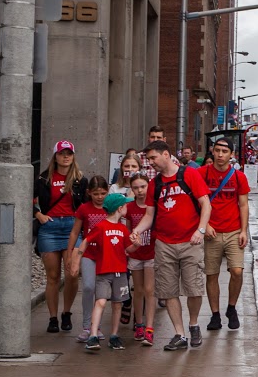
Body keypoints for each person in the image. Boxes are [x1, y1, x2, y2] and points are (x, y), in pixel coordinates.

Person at [132, 140, 212, 351]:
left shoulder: (189, 175)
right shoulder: (154, 184)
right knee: (168, 291)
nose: (150, 163)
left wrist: (200, 230)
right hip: (164, 243)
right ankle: (179, 333)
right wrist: (137, 230)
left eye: (153, 158)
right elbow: (149, 214)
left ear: (166, 155)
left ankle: (193, 324)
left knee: (194, 289)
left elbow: (205, 203)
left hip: (190, 241)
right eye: (148, 159)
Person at [33, 141, 86, 334]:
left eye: (69, 154)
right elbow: (27, 197)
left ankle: (67, 312)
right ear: (55, 156)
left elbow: (87, 205)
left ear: (73, 156)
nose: (66, 157)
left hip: (72, 227)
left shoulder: (80, 179)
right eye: (62, 153)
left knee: (72, 273)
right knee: (53, 277)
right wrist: (38, 215)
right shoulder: (43, 179)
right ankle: (53, 317)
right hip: (50, 227)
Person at [200, 139, 251, 332]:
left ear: (231, 154)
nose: (220, 154)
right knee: (212, 274)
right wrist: (206, 225)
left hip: (233, 231)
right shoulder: (202, 174)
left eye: (224, 151)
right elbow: (195, 201)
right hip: (211, 233)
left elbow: (243, 204)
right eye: (217, 150)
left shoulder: (238, 177)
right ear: (212, 152)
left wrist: (244, 230)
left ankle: (231, 307)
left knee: (237, 271)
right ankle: (215, 315)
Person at [82, 194, 134, 352]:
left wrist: (136, 245)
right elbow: (86, 240)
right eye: (125, 205)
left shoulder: (123, 228)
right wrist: (79, 256)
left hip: (120, 271)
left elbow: (128, 249)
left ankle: (114, 335)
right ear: (119, 208)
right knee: (101, 301)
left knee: (118, 303)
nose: (127, 208)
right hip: (104, 271)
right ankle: (93, 335)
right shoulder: (101, 226)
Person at [64, 176, 112, 341]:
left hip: (107, 255)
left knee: (101, 291)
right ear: (89, 193)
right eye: (96, 193)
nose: (100, 197)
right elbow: (75, 232)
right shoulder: (84, 209)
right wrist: (70, 254)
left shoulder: (111, 208)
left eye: (103, 193)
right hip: (88, 254)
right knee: (88, 287)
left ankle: (96, 326)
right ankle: (86, 325)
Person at [124, 174, 156, 345]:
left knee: (150, 290)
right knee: (138, 290)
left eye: (143, 186)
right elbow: (128, 230)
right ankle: (139, 324)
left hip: (152, 253)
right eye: (136, 188)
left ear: (148, 186)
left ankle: (149, 328)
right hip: (136, 254)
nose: (140, 190)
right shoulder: (129, 208)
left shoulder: (154, 206)